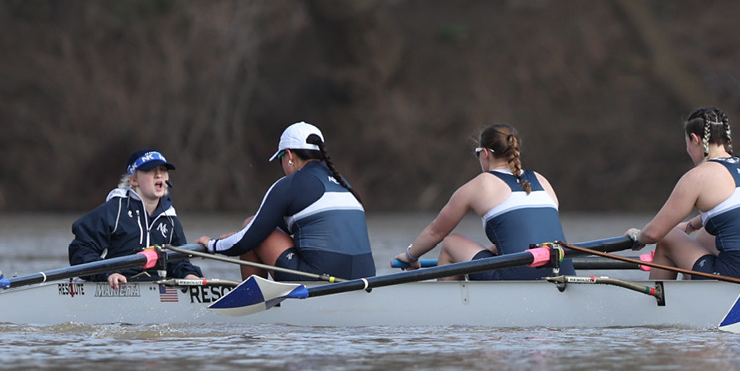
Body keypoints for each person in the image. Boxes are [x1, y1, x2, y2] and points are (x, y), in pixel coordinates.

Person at [391, 124, 576, 280]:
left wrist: (410, 256)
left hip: (518, 278)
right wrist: (488, 253)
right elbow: (528, 235)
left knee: (450, 243)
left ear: (485, 153)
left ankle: (448, 316)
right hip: (562, 272)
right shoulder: (542, 180)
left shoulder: (481, 184)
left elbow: (435, 232)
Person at [626, 107, 740, 280]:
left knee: (668, 238)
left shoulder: (697, 177)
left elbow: (654, 233)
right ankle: (693, 294)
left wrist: (638, 236)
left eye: (687, 143)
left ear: (695, 139)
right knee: (705, 235)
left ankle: (658, 306)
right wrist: (690, 226)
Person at [198, 122, 376, 280]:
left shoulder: (289, 185)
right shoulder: (343, 182)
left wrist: (214, 245)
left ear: (289, 155)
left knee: (250, 224)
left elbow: (252, 236)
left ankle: (255, 304)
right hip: (365, 276)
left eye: (280, 158)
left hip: (320, 277)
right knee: (251, 232)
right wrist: (237, 238)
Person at [68, 149, 204, 289]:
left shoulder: (170, 218)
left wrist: (190, 276)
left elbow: (178, 261)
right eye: (150, 170)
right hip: (115, 286)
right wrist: (108, 274)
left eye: (163, 170)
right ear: (134, 180)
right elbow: (81, 251)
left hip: (152, 288)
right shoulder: (115, 210)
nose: (158, 175)